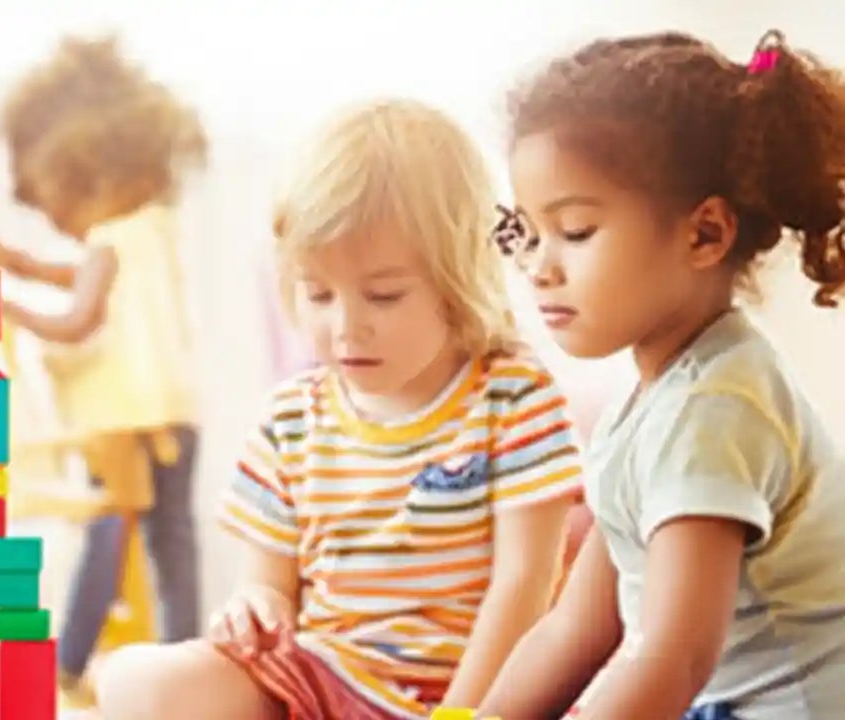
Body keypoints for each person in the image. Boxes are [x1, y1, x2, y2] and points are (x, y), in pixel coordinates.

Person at [95, 98, 585, 719]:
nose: (346, 327)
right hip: (323, 681)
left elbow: (527, 584)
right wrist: (255, 608)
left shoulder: (511, 395)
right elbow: (268, 582)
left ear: (457, 280)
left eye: (383, 295)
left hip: (474, 692)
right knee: (131, 681)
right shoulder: (292, 420)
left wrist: (463, 715)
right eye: (319, 293)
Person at [478, 28, 845, 720]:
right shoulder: (654, 403)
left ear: (705, 234)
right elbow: (576, 630)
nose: (537, 266)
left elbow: (671, 657)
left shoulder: (714, 408)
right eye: (525, 232)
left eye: (576, 231)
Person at [0, 36, 209, 704]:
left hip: (126, 417)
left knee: (105, 529)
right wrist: (30, 267)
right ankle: (186, 651)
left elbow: (79, 317)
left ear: (94, 174)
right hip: (171, 410)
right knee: (171, 543)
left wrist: (10, 306)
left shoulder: (113, 241)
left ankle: (69, 658)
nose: (58, 226)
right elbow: (89, 273)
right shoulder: (151, 227)